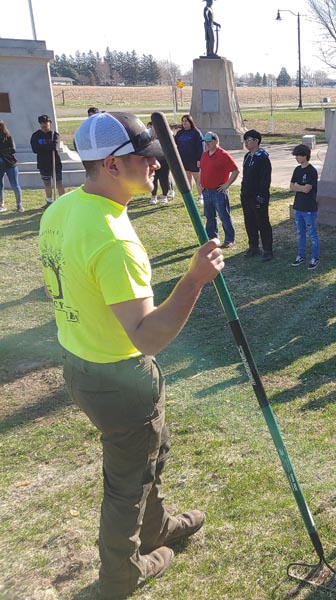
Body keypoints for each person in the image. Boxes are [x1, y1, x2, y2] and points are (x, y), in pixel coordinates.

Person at [38, 111, 223, 598]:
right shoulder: (113, 240)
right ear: (114, 165)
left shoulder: (61, 210)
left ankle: (158, 530)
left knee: (150, 457)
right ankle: (118, 577)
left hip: (81, 363)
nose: (156, 165)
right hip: (119, 376)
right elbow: (148, 337)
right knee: (127, 483)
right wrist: (194, 279)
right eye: (147, 157)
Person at [199, 131, 239, 248]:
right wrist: (200, 184)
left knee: (224, 216)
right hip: (206, 191)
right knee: (209, 216)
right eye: (206, 142)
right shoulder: (205, 155)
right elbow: (202, 169)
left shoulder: (223, 155)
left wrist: (226, 185)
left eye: (209, 142)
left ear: (216, 141)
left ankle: (229, 239)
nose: (207, 144)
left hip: (218, 191)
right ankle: (211, 238)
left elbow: (235, 170)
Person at [240, 129, 273, 261]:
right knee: (249, 221)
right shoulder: (247, 156)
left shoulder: (262, 158)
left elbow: (265, 179)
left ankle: (268, 250)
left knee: (262, 223)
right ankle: (253, 246)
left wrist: (261, 196)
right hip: (246, 195)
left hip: (258, 196)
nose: (246, 143)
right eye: (245, 140)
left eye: (248, 140)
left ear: (256, 141)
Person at [290, 144, 320, 269]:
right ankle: (301, 255)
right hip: (298, 207)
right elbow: (291, 186)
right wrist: (299, 187)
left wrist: (299, 187)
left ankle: (315, 257)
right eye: (296, 155)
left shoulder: (311, 171)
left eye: (299, 155)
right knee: (300, 233)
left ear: (305, 156)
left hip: (309, 208)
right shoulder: (297, 170)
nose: (297, 158)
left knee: (312, 233)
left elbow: (308, 189)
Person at [30, 114, 64, 205]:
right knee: (47, 183)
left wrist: (43, 147)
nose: (44, 125)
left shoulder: (54, 135)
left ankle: (63, 202)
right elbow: (35, 149)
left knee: (58, 183)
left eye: (46, 123)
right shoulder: (36, 136)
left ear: (50, 123)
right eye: (42, 123)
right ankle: (49, 202)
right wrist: (47, 147)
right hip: (43, 163)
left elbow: (55, 147)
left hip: (55, 162)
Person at [174, 114, 204, 201]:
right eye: (183, 121)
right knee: (187, 179)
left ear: (190, 122)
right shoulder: (180, 133)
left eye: (186, 121)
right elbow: (174, 143)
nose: (184, 123)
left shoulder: (196, 133)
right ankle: (189, 197)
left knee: (198, 180)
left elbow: (200, 147)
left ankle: (200, 196)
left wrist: (199, 159)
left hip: (194, 160)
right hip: (183, 160)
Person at [146, 121, 173, 205]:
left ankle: (164, 196)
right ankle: (154, 196)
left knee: (164, 179)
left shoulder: (167, 134)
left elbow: (171, 146)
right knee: (154, 179)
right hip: (153, 159)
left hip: (164, 160)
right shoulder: (149, 134)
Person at [0, 120, 24, 212]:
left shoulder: (8, 137)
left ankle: (19, 205)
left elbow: (13, 149)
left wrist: (2, 152)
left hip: (10, 163)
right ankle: (1, 204)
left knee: (15, 185)